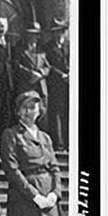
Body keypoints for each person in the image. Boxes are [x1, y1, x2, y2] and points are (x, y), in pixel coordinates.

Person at [14, 22, 51, 116]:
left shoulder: (41, 51)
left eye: (35, 34)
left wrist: (41, 72)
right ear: (26, 35)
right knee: (27, 114)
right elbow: (16, 66)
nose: (33, 37)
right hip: (27, 87)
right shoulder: (19, 50)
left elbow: (48, 67)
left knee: (41, 114)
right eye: (31, 34)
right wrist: (30, 74)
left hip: (41, 88)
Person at [43, 18, 70, 150]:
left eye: (59, 32)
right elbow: (47, 65)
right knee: (56, 113)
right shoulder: (47, 48)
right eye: (54, 32)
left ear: (63, 32)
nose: (57, 35)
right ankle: (59, 144)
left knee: (69, 112)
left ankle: (70, 142)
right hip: (55, 84)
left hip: (70, 85)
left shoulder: (71, 46)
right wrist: (62, 75)